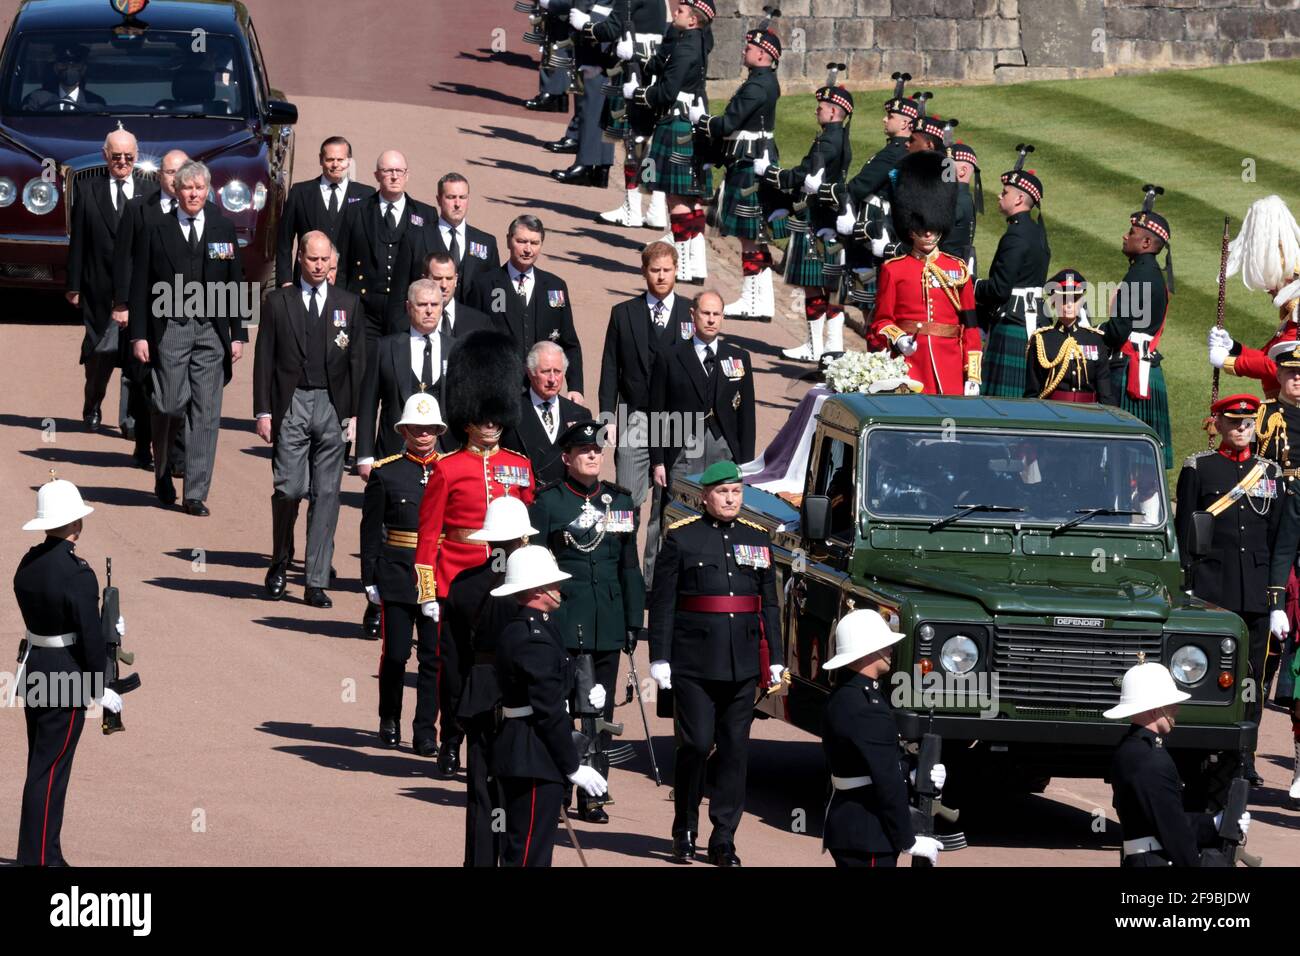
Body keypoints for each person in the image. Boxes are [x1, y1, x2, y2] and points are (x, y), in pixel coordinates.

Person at [648, 460, 781, 865]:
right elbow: (664, 603)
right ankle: (685, 826)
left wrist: (774, 657)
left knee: (735, 751)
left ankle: (724, 836)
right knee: (696, 744)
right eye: (723, 492)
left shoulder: (757, 539)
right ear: (705, 496)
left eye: (736, 492)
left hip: (741, 664)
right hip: (694, 664)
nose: (730, 499)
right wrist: (660, 657)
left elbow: (769, 605)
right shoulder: (682, 539)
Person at [529, 420, 646, 822]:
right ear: (567, 458)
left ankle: (594, 792)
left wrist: (633, 619)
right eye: (584, 451)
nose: (594, 455)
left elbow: (629, 567)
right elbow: (536, 566)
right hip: (565, 619)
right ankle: (561, 785)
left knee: (600, 710)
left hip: (607, 621)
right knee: (563, 707)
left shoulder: (620, 501)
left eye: (597, 449)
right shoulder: (549, 503)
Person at [253, 232, 366, 608]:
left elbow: (357, 364)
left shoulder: (348, 304)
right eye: (312, 259)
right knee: (288, 488)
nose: (318, 266)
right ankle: (280, 560)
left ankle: (316, 579)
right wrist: (264, 411)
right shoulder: (277, 302)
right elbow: (264, 358)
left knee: (328, 494)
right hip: (292, 401)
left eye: (324, 261)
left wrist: (353, 416)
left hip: (332, 406)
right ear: (300, 258)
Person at [13, 476, 122, 866]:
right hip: (67, 677)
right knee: (51, 770)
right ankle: (40, 859)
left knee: (42, 765)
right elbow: (90, 637)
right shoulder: (78, 573)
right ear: (76, 523)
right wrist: (99, 686)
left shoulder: (28, 564)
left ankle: (43, 853)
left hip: (36, 672)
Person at [129, 159, 247, 516]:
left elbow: (234, 281)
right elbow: (140, 286)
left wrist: (238, 334)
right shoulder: (156, 228)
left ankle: (195, 492)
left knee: (207, 412)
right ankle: (163, 470)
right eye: (187, 188)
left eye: (199, 188)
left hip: (212, 331)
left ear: (207, 191)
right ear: (176, 191)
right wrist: (139, 335)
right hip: (170, 327)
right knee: (167, 404)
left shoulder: (223, 228)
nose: (193, 194)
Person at [413, 332, 536, 672]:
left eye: (497, 416)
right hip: (457, 572)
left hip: (507, 574)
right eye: (485, 417)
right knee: (453, 666)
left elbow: (529, 526)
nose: (492, 424)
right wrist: (427, 591)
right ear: (468, 419)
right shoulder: (447, 468)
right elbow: (428, 535)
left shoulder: (519, 465)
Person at [1176, 394, 1280, 785]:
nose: (1242, 428)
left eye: (1248, 422)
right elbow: (1185, 529)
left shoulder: (1269, 473)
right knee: (1200, 669)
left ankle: (1244, 754)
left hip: (1253, 592)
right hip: (1211, 590)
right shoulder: (1199, 468)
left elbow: (1274, 537)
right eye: (1234, 421)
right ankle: (1195, 747)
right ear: (1216, 423)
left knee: (1253, 677)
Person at [491, 546, 609, 866]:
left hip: (534, 752)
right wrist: (572, 765)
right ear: (537, 590)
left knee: (535, 850)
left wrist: (588, 690)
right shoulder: (533, 636)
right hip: (532, 754)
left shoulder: (542, 628)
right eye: (553, 584)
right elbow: (548, 710)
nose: (559, 590)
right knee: (528, 852)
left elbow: (557, 683)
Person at [445, 496, 538, 859]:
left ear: (489, 540)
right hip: (526, 696)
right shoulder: (535, 588)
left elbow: (451, 660)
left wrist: (453, 716)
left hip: (480, 696)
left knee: (483, 795)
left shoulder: (465, 585)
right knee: (520, 795)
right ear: (524, 539)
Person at [821, 610, 945, 867]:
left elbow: (875, 760)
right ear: (868, 649)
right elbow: (886, 779)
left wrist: (914, 772)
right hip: (869, 832)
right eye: (884, 644)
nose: (890, 650)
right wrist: (908, 840)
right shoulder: (866, 706)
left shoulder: (850, 696)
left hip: (855, 826)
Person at [599, 240, 694, 576]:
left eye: (667, 270)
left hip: (677, 421)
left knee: (666, 505)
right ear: (644, 272)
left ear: (676, 271)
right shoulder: (623, 314)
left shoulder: (690, 314)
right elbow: (610, 367)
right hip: (635, 416)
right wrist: (608, 418)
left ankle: (654, 580)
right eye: (655, 270)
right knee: (627, 498)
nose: (661, 276)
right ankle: (624, 571)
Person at [647, 290, 755, 584]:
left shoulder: (738, 357)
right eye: (705, 313)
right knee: (676, 513)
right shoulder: (670, 356)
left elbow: (747, 417)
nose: (711, 319)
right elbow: (656, 411)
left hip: (723, 448)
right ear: (692, 315)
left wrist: (745, 463)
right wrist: (657, 460)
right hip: (684, 447)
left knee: (723, 512)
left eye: (716, 314)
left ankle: (715, 577)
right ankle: (659, 582)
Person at [360, 393, 448, 752]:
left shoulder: (449, 468)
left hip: (438, 572)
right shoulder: (387, 471)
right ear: (405, 430)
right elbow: (370, 529)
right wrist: (369, 578)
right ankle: (389, 716)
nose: (423, 435)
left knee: (433, 657)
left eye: (429, 429)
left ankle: (426, 730)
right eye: (416, 428)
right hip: (397, 572)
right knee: (396, 653)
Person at [1106, 660, 1249, 866]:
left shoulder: (1131, 749)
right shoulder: (1151, 760)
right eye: (1170, 703)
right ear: (1155, 709)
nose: (1176, 709)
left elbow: (1166, 818)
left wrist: (1215, 823)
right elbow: (1174, 833)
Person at [66, 127, 157, 443]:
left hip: (138, 290)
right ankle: (92, 405)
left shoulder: (150, 190)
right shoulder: (88, 189)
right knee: (100, 353)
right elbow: (78, 242)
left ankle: (129, 419)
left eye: (129, 156)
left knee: (136, 356)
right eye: (116, 155)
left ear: (137, 156)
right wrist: (73, 284)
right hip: (99, 287)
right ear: (105, 155)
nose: (122, 161)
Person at [869, 150, 980, 396]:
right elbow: (881, 321)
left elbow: (970, 327)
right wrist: (897, 338)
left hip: (949, 367)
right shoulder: (894, 269)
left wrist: (973, 373)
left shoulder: (957, 269)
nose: (928, 233)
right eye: (921, 227)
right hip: (910, 365)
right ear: (910, 229)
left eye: (932, 226)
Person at [759, 72, 852, 362]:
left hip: (817, 217)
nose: (817, 109)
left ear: (834, 111)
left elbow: (804, 174)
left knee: (814, 286)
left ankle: (815, 347)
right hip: (830, 217)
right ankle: (832, 347)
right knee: (831, 286)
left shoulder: (828, 141)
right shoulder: (839, 138)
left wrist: (773, 174)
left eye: (821, 106)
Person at [694, 16, 780, 320]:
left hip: (749, 160)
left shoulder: (758, 86)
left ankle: (752, 300)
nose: (744, 51)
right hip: (749, 157)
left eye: (749, 47)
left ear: (762, 54)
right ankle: (761, 300)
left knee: (749, 234)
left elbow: (729, 123)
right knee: (752, 234)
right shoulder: (761, 82)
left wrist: (703, 122)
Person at [113, 148, 190, 472]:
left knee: (181, 387)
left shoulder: (200, 213)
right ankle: (143, 443)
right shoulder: (137, 208)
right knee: (146, 383)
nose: (176, 179)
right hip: (144, 312)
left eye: (182, 173)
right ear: (160, 175)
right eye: (171, 172)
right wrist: (123, 304)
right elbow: (124, 259)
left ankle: (176, 456)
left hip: (183, 313)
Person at [627, 0, 714, 282]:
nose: (675, 11)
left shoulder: (686, 48)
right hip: (685, 123)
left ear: (693, 20)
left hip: (675, 124)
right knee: (689, 197)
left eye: (681, 10)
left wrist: (640, 95)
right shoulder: (694, 41)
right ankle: (691, 264)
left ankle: (682, 266)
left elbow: (666, 92)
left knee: (677, 198)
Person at [463, 215, 584, 400]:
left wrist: (575, 387)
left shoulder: (555, 286)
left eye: (534, 243)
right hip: (497, 390)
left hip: (542, 392)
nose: (528, 249)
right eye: (521, 241)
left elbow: (569, 343)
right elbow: (469, 342)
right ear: (508, 241)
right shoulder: (484, 285)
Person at [829, 72, 918, 314]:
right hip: (877, 226)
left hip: (876, 226)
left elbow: (860, 186)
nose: (883, 120)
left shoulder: (895, 153)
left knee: (870, 300)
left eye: (890, 116)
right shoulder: (895, 150)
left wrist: (844, 202)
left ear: (905, 124)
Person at [1100, 184, 1174, 469]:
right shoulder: (1151, 273)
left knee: (1124, 460)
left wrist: (1094, 331)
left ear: (1145, 243)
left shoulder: (1138, 276)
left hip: (1130, 368)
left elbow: (1119, 330)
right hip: (1146, 365)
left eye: (1131, 233)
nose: (1125, 235)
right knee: (1144, 460)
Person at [335, 150, 435, 358]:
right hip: (364, 308)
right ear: (376, 175)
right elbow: (342, 264)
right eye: (388, 170)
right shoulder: (356, 211)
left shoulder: (425, 214)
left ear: (407, 175)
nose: (394, 176)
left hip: (406, 310)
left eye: (399, 171)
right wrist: (340, 308)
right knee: (364, 366)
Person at [1208, 195, 1300, 400]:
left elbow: (1277, 366)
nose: (1268, 290)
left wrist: (1229, 362)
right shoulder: (1290, 315)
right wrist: (1233, 348)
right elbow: (1267, 355)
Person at [356, 280, 451, 480]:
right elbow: (368, 404)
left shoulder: (456, 349)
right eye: (422, 304)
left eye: (434, 305)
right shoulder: (385, 347)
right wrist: (364, 455)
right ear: (409, 307)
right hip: (394, 450)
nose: (428, 311)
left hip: (444, 453)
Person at [976, 145, 1050, 398]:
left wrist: (971, 283)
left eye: (1005, 192)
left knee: (1000, 401)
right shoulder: (1037, 233)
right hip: (1034, 320)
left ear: (1019, 199)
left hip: (1012, 323)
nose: (999, 196)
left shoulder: (1016, 235)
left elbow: (999, 288)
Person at [594, 0, 670, 230]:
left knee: (632, 142)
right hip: (653, 63)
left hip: (633, 65)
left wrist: (587, 26)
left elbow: (612, 27)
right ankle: (656, 208)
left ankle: (632, 209)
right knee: (648, 142)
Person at [386, 172, 500, 318]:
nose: (457, 204)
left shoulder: (486, 243)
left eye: (462, 197)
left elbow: (495, 294)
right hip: (424, 327)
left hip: (471, 331)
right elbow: (398, 293)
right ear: (439, 200)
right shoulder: (415, 239)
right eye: (451, 197)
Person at [276, 136, 375, 287]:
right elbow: (284, 240)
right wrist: (285, 281)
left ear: (349, 160)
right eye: (330, 159)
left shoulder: (366, 195)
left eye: (340, 159)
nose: (335, 165)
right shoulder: (300, 192)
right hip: (305, 282)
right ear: (321, 160)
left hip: (348, 286)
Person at [501, 341, 588, 485]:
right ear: (530, 373)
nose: (552, 379)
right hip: (525, 499)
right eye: (546, 372)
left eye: (557, 372)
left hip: (563, 500)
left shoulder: (579, 414)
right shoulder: (509, 411)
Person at [1025, 270, 1114, 403]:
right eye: (1064, 299)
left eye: (1075, 299)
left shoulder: (1095, 339)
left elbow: (1105, 392)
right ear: (1054, 302)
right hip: (1052, 412)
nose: (1069, 304)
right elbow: (1033, 392)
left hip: (1089, 413)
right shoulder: (1041, 340)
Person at [551, 2, 614, 188]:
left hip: (597, 30)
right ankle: (600, 167)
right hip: (597, 28)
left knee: (592, 105)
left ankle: (585, 165)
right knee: (597, 106)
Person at [22, 42, 106, 111]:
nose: (69, 68)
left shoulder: (95, 103)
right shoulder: (37, 99)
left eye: (75, 64)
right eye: (63, 64)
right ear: (55, 68)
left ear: (83, 69)